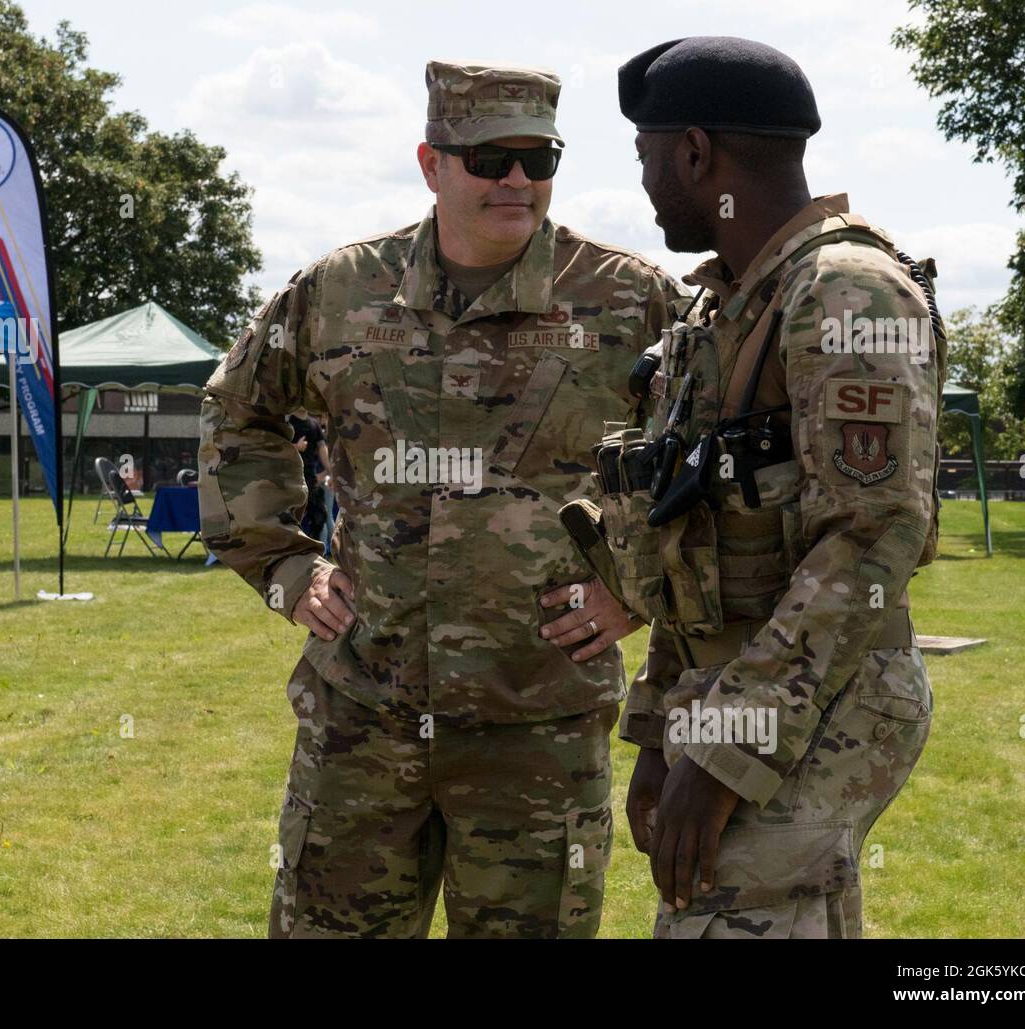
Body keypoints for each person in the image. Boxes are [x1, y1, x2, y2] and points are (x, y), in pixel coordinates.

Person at [199, 60, 684, 938]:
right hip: (362, 724)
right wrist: (281, 562)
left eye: (540, 160)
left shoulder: (627, 300)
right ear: (432, 163)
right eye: (491, 157)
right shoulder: (343, 293)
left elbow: (716, 456)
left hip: (537, 727)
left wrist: (639, 587)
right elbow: (237, 407)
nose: (517, 181)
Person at [608, 36, 945, 938]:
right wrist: (657, 729)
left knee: (723, 916)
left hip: (829, 689)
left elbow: (872, 536)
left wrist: (722, 752)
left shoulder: (847, 295)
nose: (643, 185)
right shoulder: (723, 309)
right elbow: (692, 540)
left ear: (694, 152)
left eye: (646, 155)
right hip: (741, 686)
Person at [286, 412, 330, 541]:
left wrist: (330, 470)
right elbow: (276, 445)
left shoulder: (314, 424)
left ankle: (315, 548)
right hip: (291, 477)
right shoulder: (288, 423)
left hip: (310, 477)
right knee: (291, 517)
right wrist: (295, 447)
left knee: (319, 515)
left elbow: (322, 447)